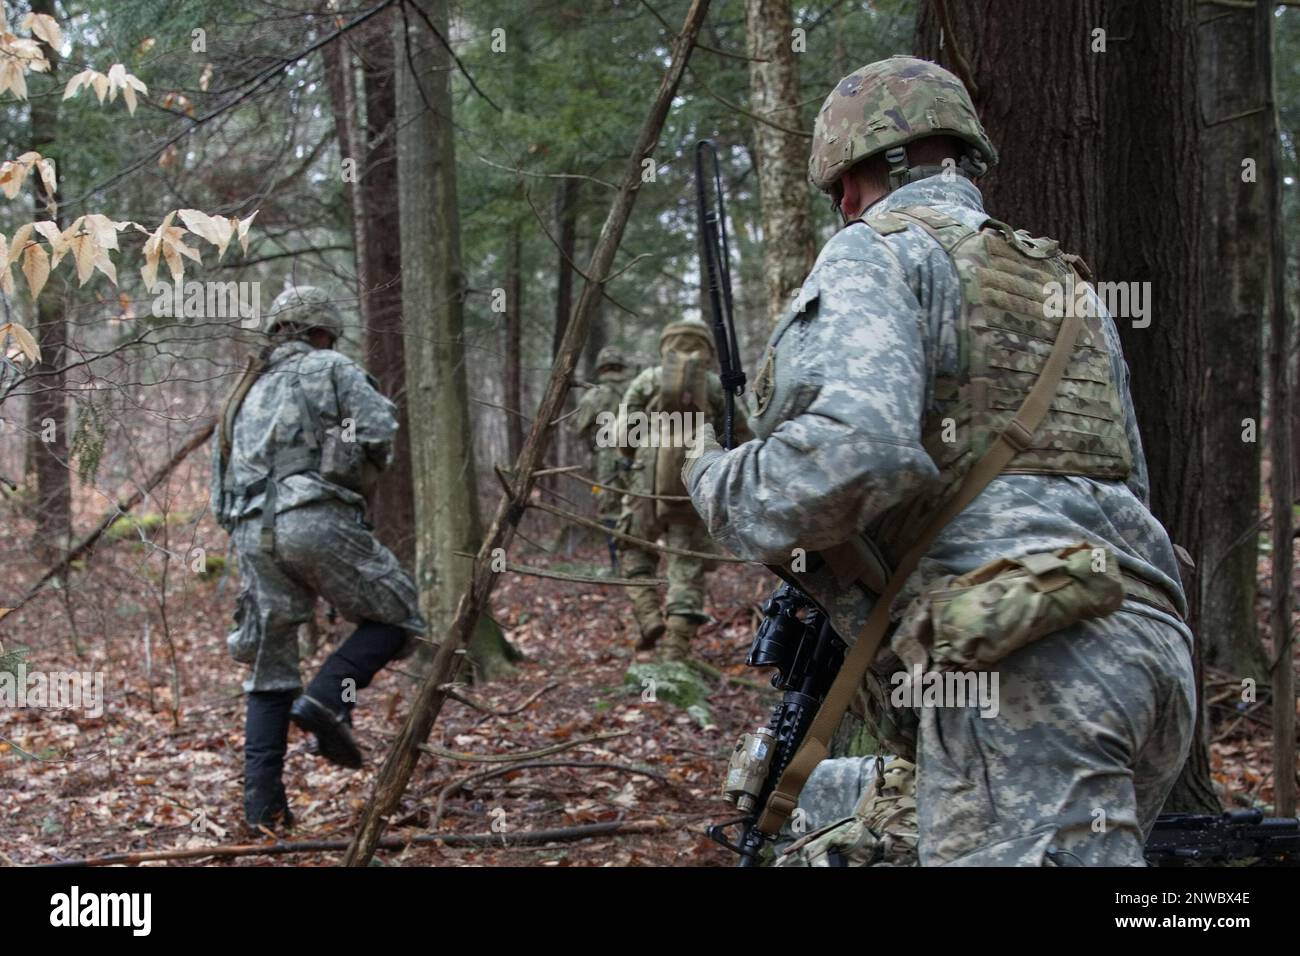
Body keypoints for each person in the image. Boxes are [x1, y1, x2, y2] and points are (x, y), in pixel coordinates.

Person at [683, 56, 1195, 866]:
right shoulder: (1069, 289)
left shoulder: (875, 253)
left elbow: (854, 455)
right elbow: (1127, 486)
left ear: (849, 184)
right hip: (1150, 655)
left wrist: (711, 479)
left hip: (1026, 670)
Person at [210, 285, 426, 829]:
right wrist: (349, 463)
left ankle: (263, 811)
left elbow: (220, 485)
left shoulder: (244, 390)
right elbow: (381, 429)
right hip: (313, 518)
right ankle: (330, 698)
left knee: (269, 669)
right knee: (399, 616)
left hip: (250, 536)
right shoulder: (329, 365)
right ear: (321, 330)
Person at [618, 320, 749, 661]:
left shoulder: (648, 380)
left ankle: (648, 616)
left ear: (666, 344)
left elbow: (622, 435)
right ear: (707, 347)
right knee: (685, 565)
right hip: (695, 477)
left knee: (633, 548)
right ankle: (676, 652)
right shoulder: (716, 385)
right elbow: (743, 435)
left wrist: (640, 451)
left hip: (645, 481)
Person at [573, 345, 634, 573]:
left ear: (601, 368)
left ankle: (617, 565)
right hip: (638, 456)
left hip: (607, 458)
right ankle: (638, 566)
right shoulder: (637, 388)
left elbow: (578, 427)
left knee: (609, 510)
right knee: (637, 506)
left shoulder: (594, 395)